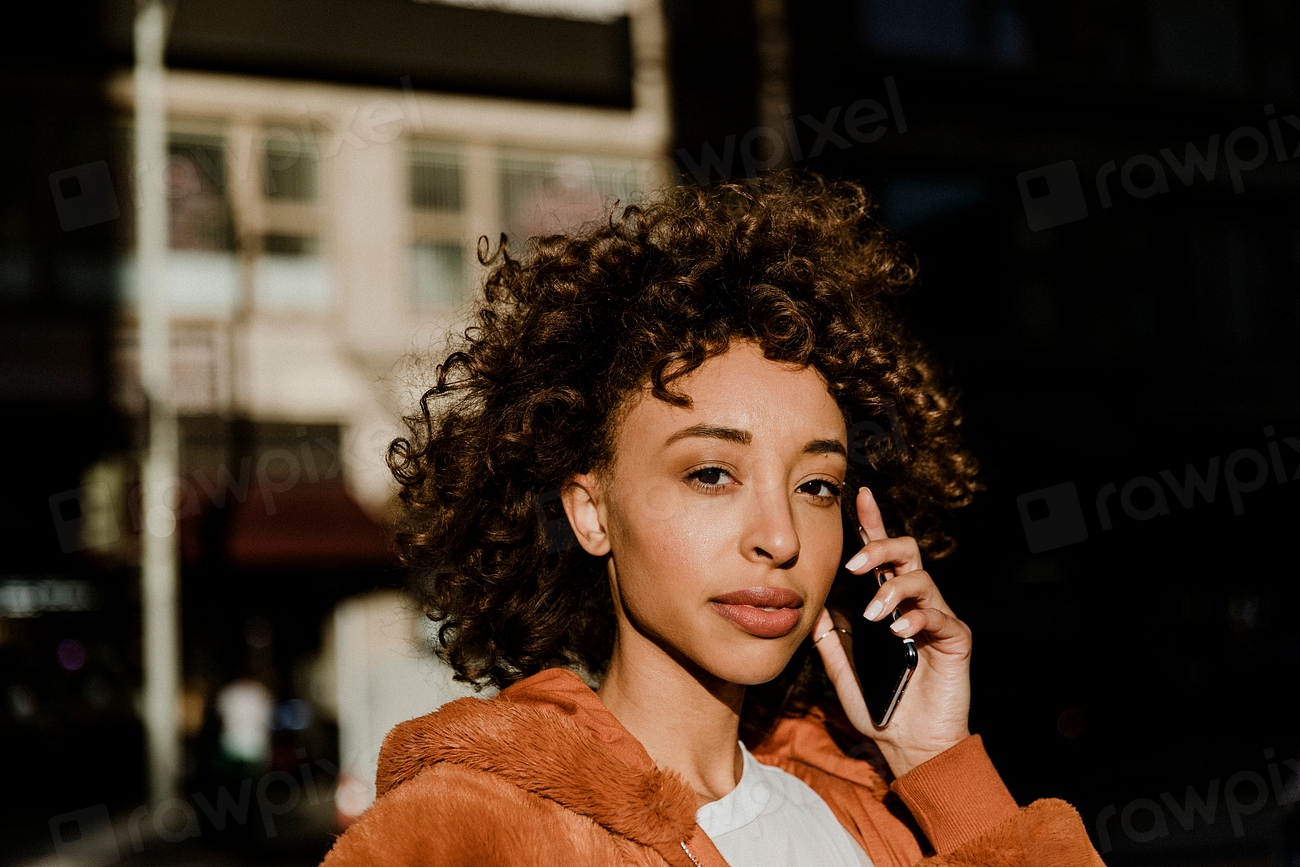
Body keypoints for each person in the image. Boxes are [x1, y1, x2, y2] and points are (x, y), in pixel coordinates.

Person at [319, 172, 1105, 866]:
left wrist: (940, 764)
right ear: (590, 513)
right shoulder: (472, 835)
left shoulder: (866, 814)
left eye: (819, 486)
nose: (782, 536)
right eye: (711, 473)